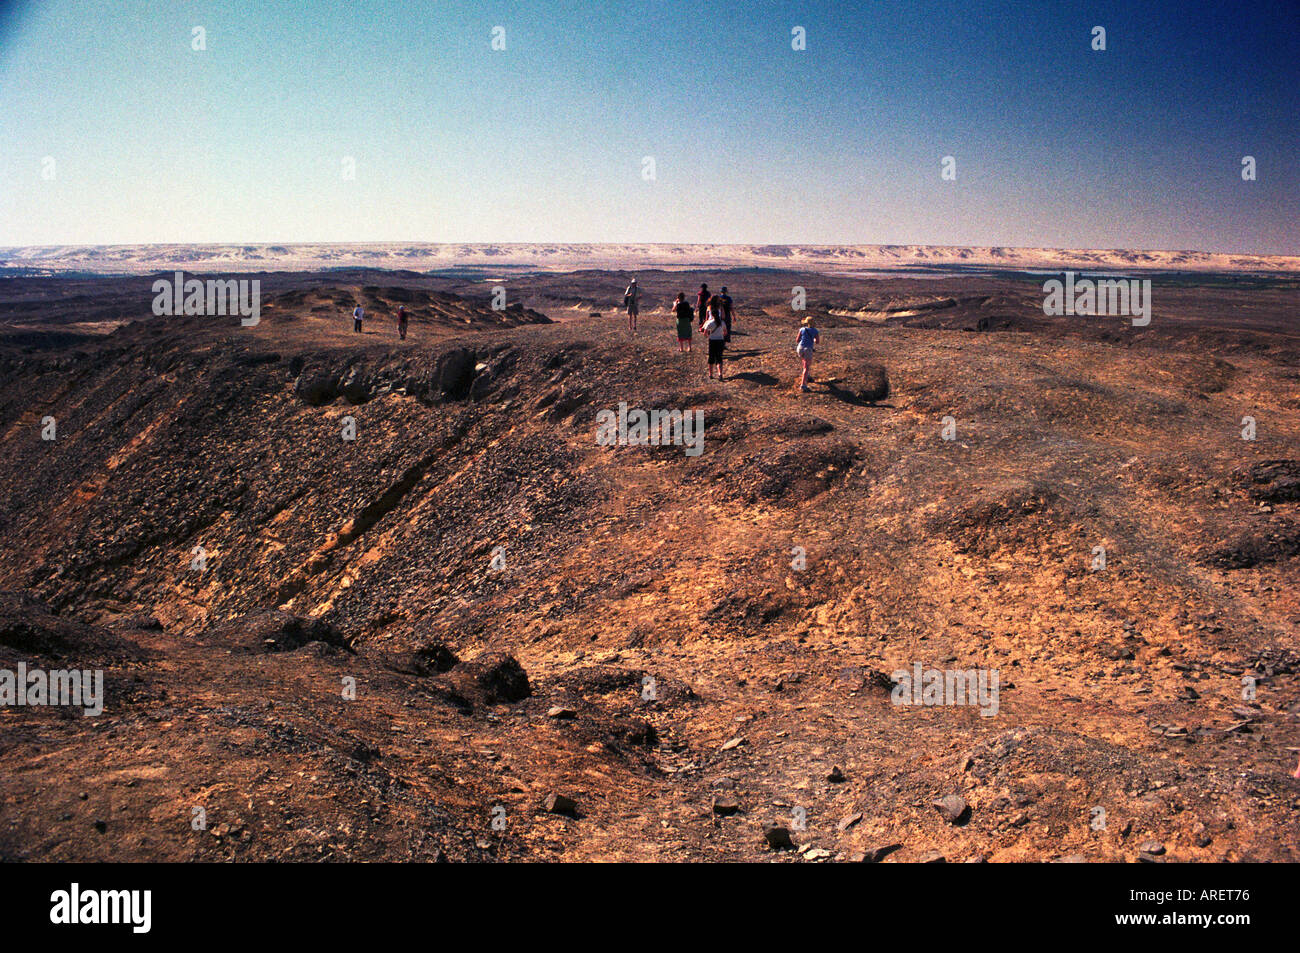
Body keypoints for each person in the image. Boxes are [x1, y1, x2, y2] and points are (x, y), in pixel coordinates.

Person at [704, 299, 727, 380]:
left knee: (711, 357)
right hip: (720, 341)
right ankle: (720, 374)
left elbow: (705, 333)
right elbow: (725, 332)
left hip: (712, 340)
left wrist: (708, 335)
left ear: (712, 315)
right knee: (719, 357)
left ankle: (710, 374)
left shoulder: (710, 323)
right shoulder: (722, 323)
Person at [795, 316, 819, 392]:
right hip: (808, 349)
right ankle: (803, 385)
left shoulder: (802, 329)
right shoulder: (815, 331)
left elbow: (797, 340)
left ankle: (806, 376)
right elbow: (817, 341)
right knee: (806, 367)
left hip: (800, 348)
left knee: (804, 362)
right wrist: (813, 339)